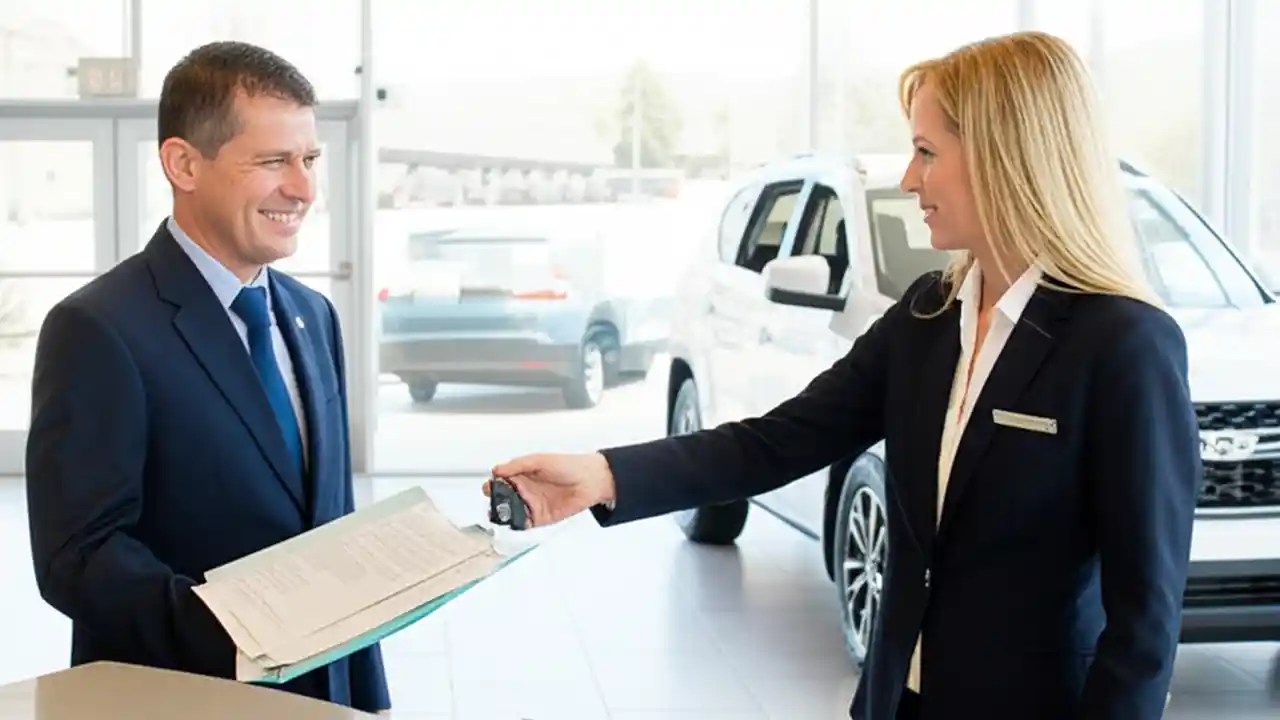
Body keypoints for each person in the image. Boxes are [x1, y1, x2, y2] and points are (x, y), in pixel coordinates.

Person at [486, 31, 1200, 720]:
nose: (908, 179)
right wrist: (603, 475)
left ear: (1005, 157)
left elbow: (1145, 624)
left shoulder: (1124, 345)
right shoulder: (928, 315)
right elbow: (778, 441)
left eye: (926, 152)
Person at [25, 42, 390, 712]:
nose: (305, 189)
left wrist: (364, 697)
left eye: (309, 160)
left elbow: (327, 521)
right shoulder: (99, 329)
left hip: (326, 696)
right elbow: (78, 557)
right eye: (273, 161)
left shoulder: (314, 317)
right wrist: (246, 631)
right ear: (183, 163)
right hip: (183, 696)